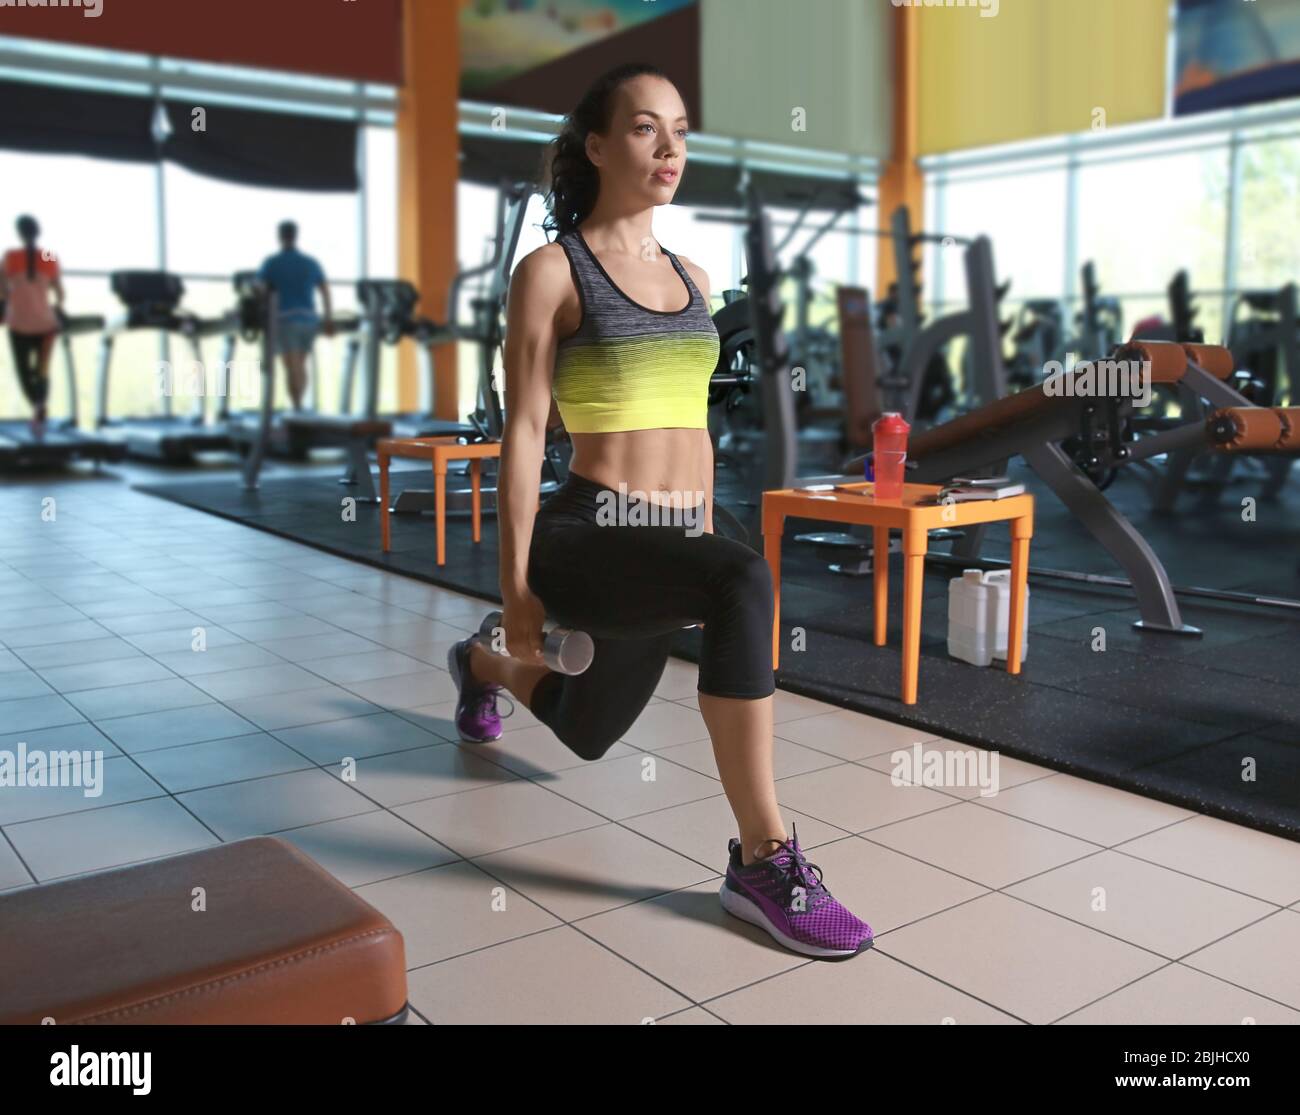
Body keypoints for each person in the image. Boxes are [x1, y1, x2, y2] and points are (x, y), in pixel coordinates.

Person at [446, 63, 874, 959]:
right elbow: (524, 433)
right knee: (744, 578)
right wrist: (516, 583)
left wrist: (705, 529)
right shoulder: (552, 272)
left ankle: (481, 665)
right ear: (597, 145)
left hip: (676, 533)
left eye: (680, 128)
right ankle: (763, 858)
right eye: (645, 128)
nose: (670, 147)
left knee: (591, 729)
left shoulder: (694, 272)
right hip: (591, 524)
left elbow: (691, 427)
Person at [257, 221, 333, 410]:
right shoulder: (310, 262)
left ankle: (297, 407)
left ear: (280, 236)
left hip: (285, 321)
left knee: (292, 367)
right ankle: (299, 407)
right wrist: (328, 318)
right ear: (295, 236)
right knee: (300, 364)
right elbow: (325, 291)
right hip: (309, 321)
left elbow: (258, 290)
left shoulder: (271, 263)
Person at [1, 215, 64, 436]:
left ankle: (37, 405)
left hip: (18, 323)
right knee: (42, 371)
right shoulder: (48, 256)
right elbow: (59, 291)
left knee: (24, 371)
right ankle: (39, 406)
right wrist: (58, 306)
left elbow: (2, 289)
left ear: (19, 233)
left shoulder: (10, 256)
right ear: (38, 232)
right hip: (46, 324)